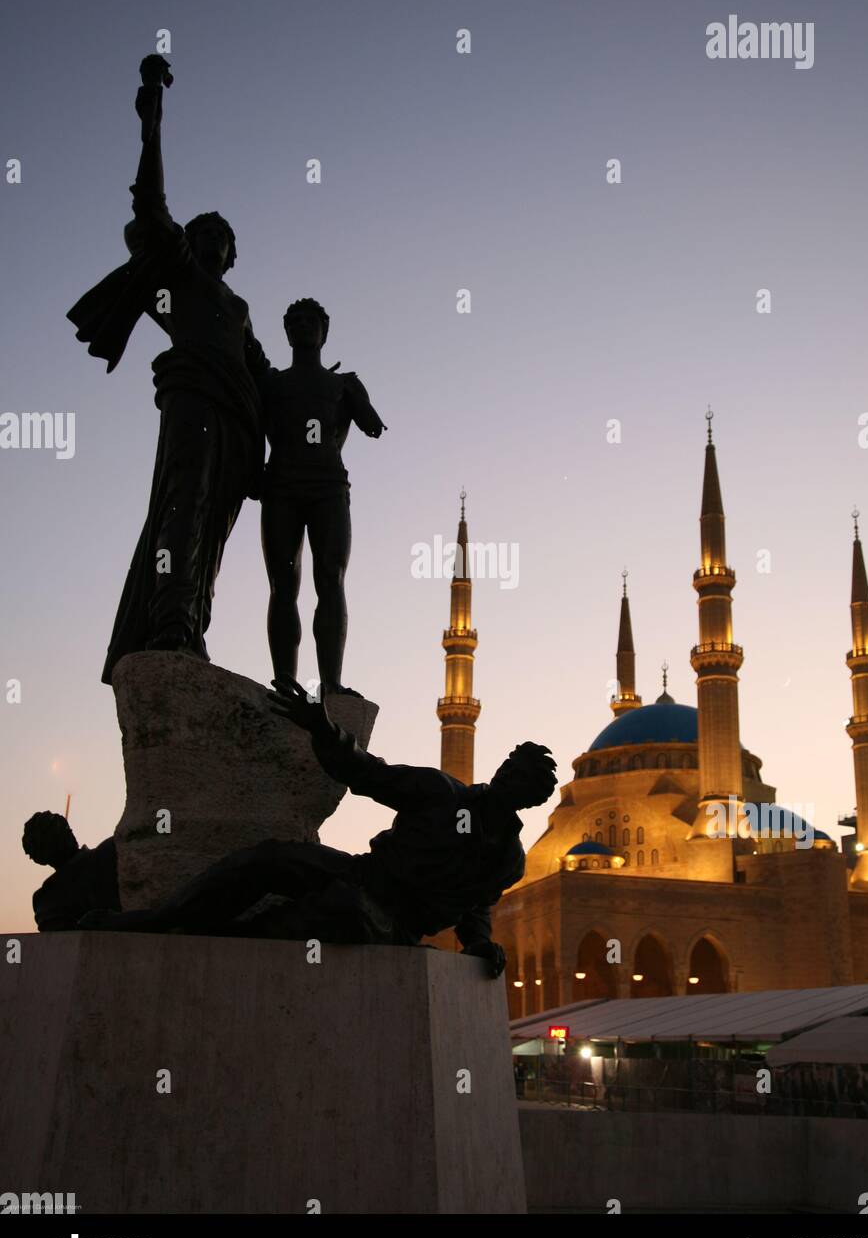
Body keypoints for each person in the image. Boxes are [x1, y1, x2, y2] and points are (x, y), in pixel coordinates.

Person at [80, 679, 558, 978]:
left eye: (520, 779)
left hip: (393, 922)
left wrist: (479, 945)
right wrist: (324, 730)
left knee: (328, 914)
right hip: (364, 873)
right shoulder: (441, 792)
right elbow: (366, 772)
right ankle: (155, 922)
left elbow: (476, 908)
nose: (507, 778)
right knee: (272, 859)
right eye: (509, 767)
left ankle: (214, 953)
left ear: (528, 798)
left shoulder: (507, 858)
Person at [67, 55, 272, 683]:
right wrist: (152, 123)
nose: (212, 239)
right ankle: (167, 625)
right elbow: (152, 205)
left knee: (209, 533)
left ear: (233, 255)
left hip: (239, 426)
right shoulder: (181, 275)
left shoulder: (238, 309)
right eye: (204, 230)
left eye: (222, 236)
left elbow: (267, 378)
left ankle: (192, 624)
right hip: (192, 403)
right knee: (182, 509)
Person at [261, 297, 386, 691]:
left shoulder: (343, 383)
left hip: (329, 484)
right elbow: (252, 429)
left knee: (330, 578)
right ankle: (285, 680)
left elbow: (372, 424)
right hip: (281, 483)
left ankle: (330, 684)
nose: (301, 326)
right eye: (293, 321)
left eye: (309, 320)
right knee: (283, 581)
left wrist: (357, 401)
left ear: (324, 330)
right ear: (286, 332)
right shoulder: (273, 384)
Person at [22, 812, 119, 933]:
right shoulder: (46, 899)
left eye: (66, 829)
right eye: (55, 834)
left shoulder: (108, 850)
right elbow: (63, 942)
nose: (67, 834)